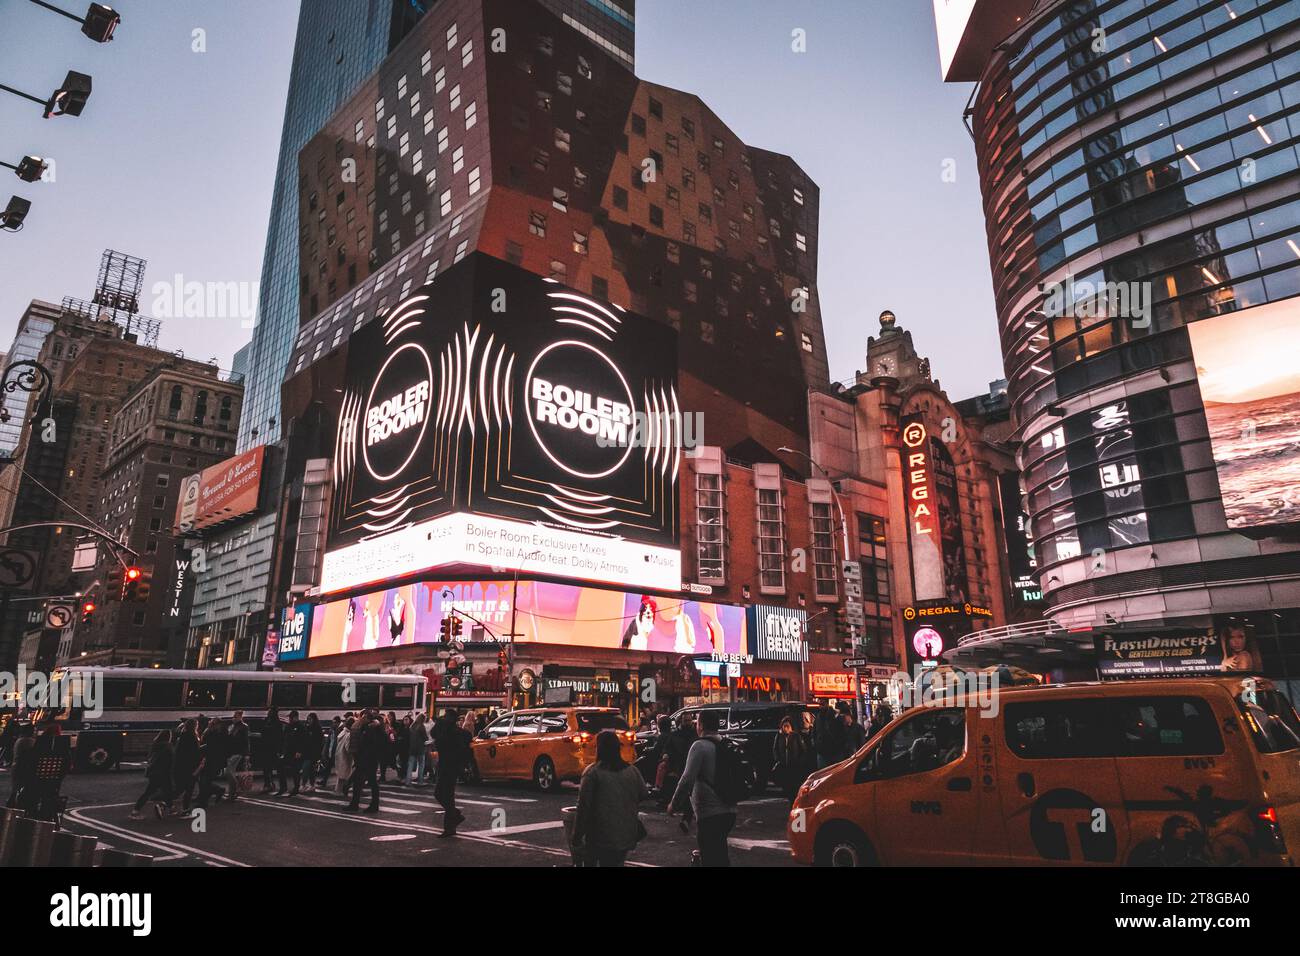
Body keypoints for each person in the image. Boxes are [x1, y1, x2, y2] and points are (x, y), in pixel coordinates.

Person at [669, 709, 737, 867]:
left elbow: (687, 779)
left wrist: (674, 804)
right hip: (730, 810)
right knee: (720, 855)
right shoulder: (726, 743)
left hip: (710, 813)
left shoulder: (699, 746)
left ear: (701, 725)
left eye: (697, 722)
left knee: (710, 857)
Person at [573, 730, 647, 866]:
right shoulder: (632, 771)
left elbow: (583, 808)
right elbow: (643, 794)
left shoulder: (592, 773)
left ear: (599, 749)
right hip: (626, 834)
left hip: (600, 837)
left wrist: (576, 837)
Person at [432, 708, 470, 836]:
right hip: (446, 765)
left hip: (450, 766)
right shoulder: (446, 730)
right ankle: (454, 817)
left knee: (445, 795)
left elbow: (461, 748)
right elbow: (433, 734)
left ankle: (450, 826)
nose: (445, 718)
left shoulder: (455, 732)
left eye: (447, 716)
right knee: (442, 795)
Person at [130, 730, 174, 819]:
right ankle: (168, 808)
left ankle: (136, 810)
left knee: (150, 792)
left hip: (153, 772)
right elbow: (171, 760)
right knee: (168, 790)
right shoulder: (168, 747)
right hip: (163, 772)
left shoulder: (155, 745)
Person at [346, 710, 384, 813]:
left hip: (368, 759)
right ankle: (358, 804)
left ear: (367, 718)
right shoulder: (369, 727)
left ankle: (367, 805)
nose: (361, 719)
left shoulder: (371, 728)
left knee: (369, 782)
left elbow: (368, 745)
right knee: (363, 783)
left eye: (363, 717)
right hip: (366, 759)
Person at [772, 716, 808, 804]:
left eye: (788, 726)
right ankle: (790, 798)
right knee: (786, 785)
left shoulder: (796, 736)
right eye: (784, 726)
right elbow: (775, 748)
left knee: (794, 784)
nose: (786, 728)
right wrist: (778, 759)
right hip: (784, 765)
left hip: (794, 765)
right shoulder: (779, 736)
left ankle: (794, 800)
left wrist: (800, 761)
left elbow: (803, 750)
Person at [196, 719, 229, 809]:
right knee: (204, 780)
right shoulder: (213, 732)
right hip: (210, 759)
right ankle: (217, 791)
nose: (210, 724)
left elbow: (211, 746)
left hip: (213, 760)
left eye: (212, 723)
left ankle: (203, 802)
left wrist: (201, 748)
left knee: (204, 780)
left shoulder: (217, 734)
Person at [171, 719, 202, 816]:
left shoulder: (182, 736)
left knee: (180, 788)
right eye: (196, 724)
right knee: (189, 789)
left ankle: (165, 803)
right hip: (190, 766)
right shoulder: (192, 737)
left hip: (180, 765)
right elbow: (195, 753)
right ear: (194, 726)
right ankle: (185, 810)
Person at [224, 710, 250, 802]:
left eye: (235, 716)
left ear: (240, 717)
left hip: (238, 752)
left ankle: (233, 791)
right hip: (231, 752)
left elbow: (246, 741)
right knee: (230, 772)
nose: (233, 718)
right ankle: (233, 792)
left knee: (228, 772)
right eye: (233, 716)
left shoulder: (243, 727)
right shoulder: (232, 726)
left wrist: (246, 754)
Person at [278, 710, 305, 796]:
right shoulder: (288, 726)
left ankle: (296, 788)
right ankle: (283, 787)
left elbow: (302, 740)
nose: (289, 719)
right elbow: (284, 739)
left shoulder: (301, 727)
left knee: (295, 771)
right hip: (287, 752)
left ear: (295, 717)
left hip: (295, 752)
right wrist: (282, 751)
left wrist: (299, 751)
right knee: (281, 768)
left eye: (291, 717)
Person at [259, 706, 283, 792]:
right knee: (266, 767)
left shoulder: (275, 723)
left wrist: (279, 749)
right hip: (267, 747)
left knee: (270, 767)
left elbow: (279, 737)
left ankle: (270, 784)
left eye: (269, 712)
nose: (268, 713)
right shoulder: (270, 722)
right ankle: (268, 783)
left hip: (272, 748)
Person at [813, 703, 845, 769]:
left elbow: (842, 733)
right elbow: (814, 732)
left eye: (822, 703)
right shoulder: (819, 718)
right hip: (827, 751)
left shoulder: (834, 717)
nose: (820, 706)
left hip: (831, 751)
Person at [302, 713, 325, 793]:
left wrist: (318, 754)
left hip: (313, 753)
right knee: (311, 770)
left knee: (306, 768)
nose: (309, 721)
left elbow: (319, 742)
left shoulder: (317, 729)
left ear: (314, 720)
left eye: (310, 719)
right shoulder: (307, 728)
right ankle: (312, 785)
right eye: (308, 719)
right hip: (307, 752)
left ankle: (304, 785)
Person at [407, 713, 430, 785]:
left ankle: (408, 781)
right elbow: (425, 738)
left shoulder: (412, 726)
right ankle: (420, 781)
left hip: (412, 748)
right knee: (421, 765)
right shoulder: (421, 726)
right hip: (420, 748)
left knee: (410, 765)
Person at [335, 717, 355, 795]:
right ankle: (342, 790)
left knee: (341, 774)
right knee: (346, 774)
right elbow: (348, 747)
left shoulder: (342, 732)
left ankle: (338, 790)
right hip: (345, 756)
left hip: (339, 753)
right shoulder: (349, 734)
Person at [393, 714, 410, 786]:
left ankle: (403, 777)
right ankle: (400, 776)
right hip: (400, 748)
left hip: (406, 749)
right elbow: (397, 736)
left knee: (404, 764)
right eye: (404, 719)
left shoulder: (410, 729)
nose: (405, 721)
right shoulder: (401, 728)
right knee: (398, 763)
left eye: (407, 719)